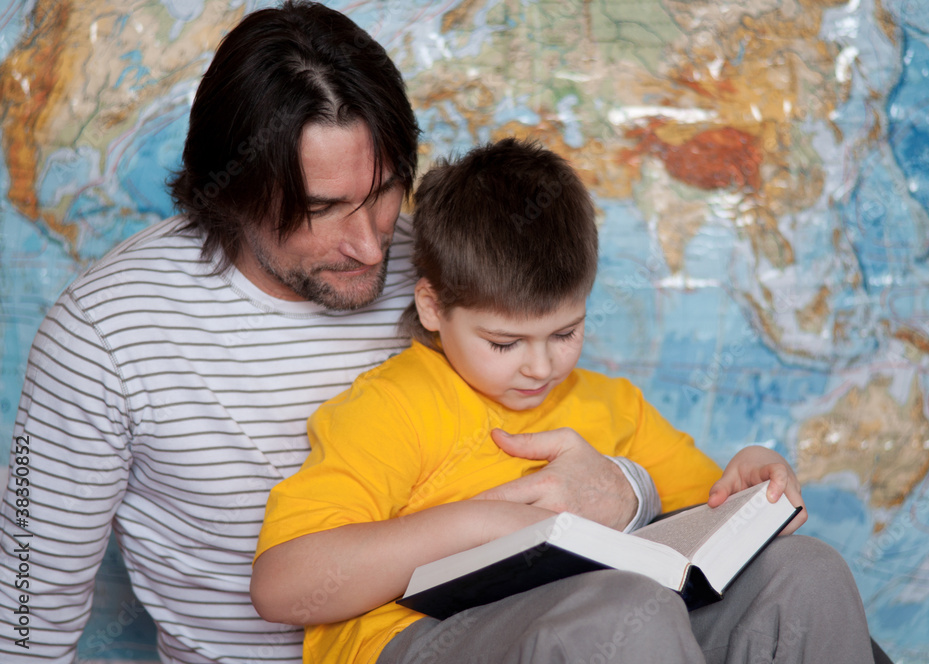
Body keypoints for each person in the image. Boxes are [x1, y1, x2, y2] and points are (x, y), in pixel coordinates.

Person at [0, 4, 658, 662]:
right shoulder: (102, 333)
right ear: (227, 192)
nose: (372, 247)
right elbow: (27, 600)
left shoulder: (445, 261)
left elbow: (567, 409)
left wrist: (627, 486)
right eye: (321, 209)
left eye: (385, 191)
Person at [250, 138, 875, 664]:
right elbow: (284, 588)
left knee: (806, 573)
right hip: (416, 639)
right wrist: (477, 523)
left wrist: (755, 491)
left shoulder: (610, 405)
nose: (542, 366)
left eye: (565, 333)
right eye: (505, 342)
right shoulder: (391, 408)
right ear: (433, 307)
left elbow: (705, 526)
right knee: (623, 613)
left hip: (614, 620)